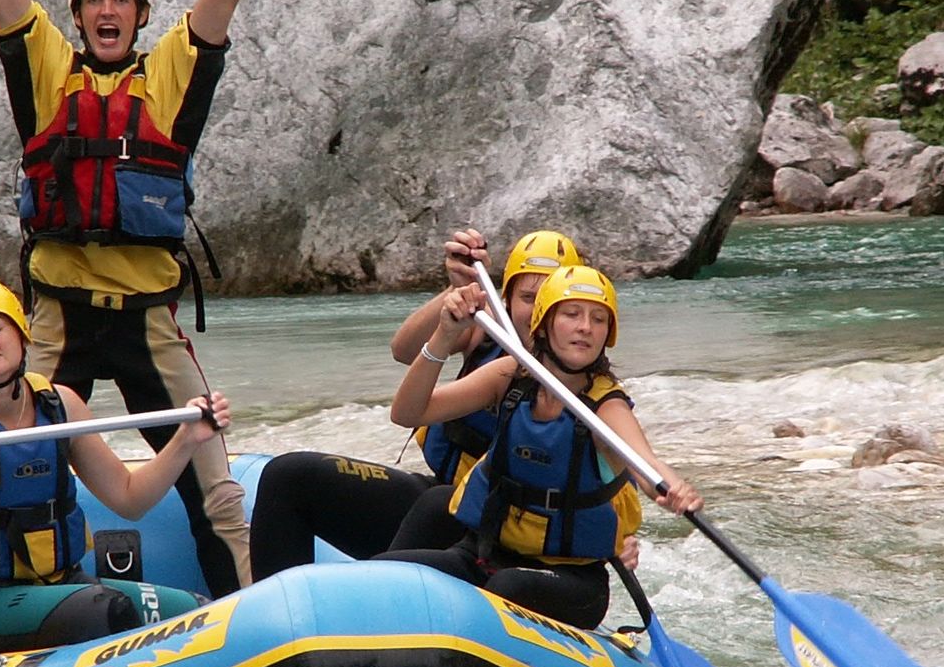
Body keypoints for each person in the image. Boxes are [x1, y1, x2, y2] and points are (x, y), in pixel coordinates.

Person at [0, 0, 289, 598]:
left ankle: (248, 620)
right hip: (60, 318)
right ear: (77, 17)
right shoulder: (43, 69)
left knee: (216, 495)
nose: (108, 11)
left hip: (148, 321)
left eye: (122, 1)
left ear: (139, 16)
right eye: (95, 0)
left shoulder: (169, 76)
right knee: (3, 464)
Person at [0, 279, 230, 663]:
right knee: (105, 612)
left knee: (198, 612)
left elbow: (129, 498)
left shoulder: (61, 405)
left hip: (60, 585)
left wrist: (185, 440)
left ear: (20, 336)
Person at [247, 228, 584, 579]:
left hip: (510, 532)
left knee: (437, 504)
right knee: (288, 476)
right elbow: (403, 352)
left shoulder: (584, 376)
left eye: (552, 301)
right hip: (442, 504)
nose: (538, 313)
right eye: (529, 298)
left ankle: (382, 594)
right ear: (506, 299)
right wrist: (458, 291)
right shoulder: (485, 332)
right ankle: (278, 615)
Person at [377, 266, 702, 630]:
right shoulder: (510, 377)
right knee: (388, 576)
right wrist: (445, 334)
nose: (586, 327)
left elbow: (645, 464)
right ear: (544, 325)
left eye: (598, 319)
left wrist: (674, 489)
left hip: (571, 581)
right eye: (572, 314)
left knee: (506, 587)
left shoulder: (605, 405)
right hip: (485, 555)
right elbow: (407, 413)